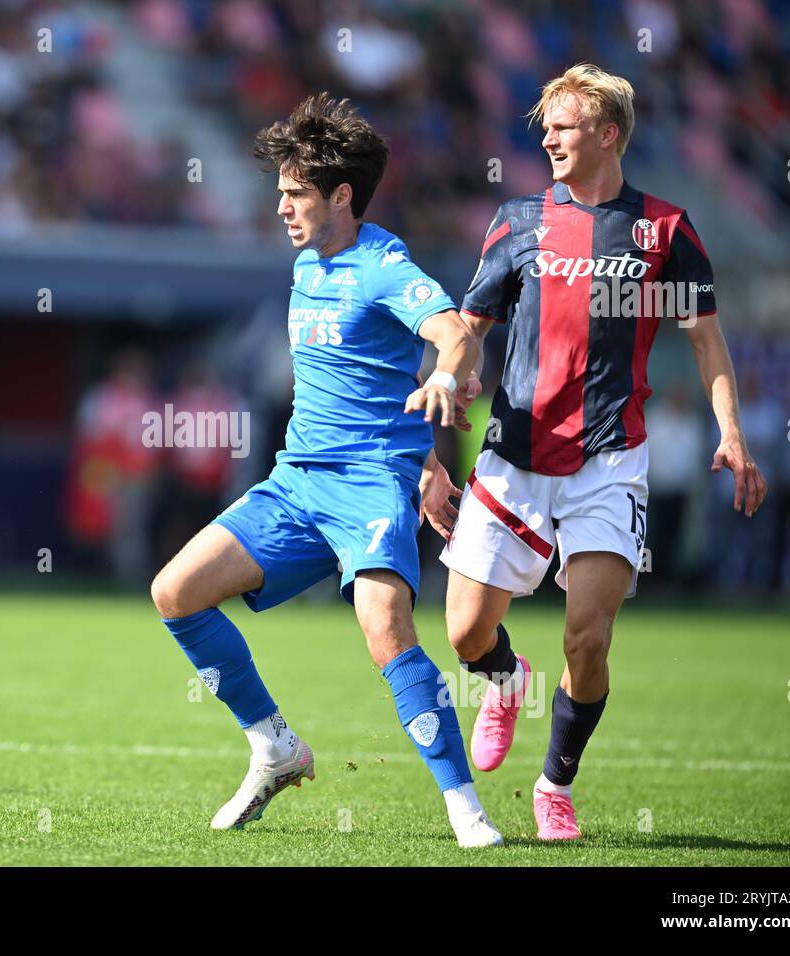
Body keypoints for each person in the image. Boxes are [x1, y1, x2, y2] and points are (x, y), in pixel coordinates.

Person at [425, 64, 767, 840]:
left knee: (589, 634)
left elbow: (707, 343)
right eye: (543, 126)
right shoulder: (517, 220)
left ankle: (554, 785)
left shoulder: (665, 231)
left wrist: (734, 435)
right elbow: (469, 328)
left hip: (611, 461)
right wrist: (449, 376)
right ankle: (507, 681)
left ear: (608, 133)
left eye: (564, 124)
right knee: (465, 635)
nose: (547, 136)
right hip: (514, 457)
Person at [150, 93, 502, 846]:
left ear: (341, 196)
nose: (280, 207)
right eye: (279, 192)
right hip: (296, 482)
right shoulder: (307, 266)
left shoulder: (383, 265)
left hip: (370, 483)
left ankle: (464, 809)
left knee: (386, 629)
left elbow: (454, 337)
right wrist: (435, 456)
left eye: (294, 193)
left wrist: (444, 381)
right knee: (175, 593)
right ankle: (273, 747)